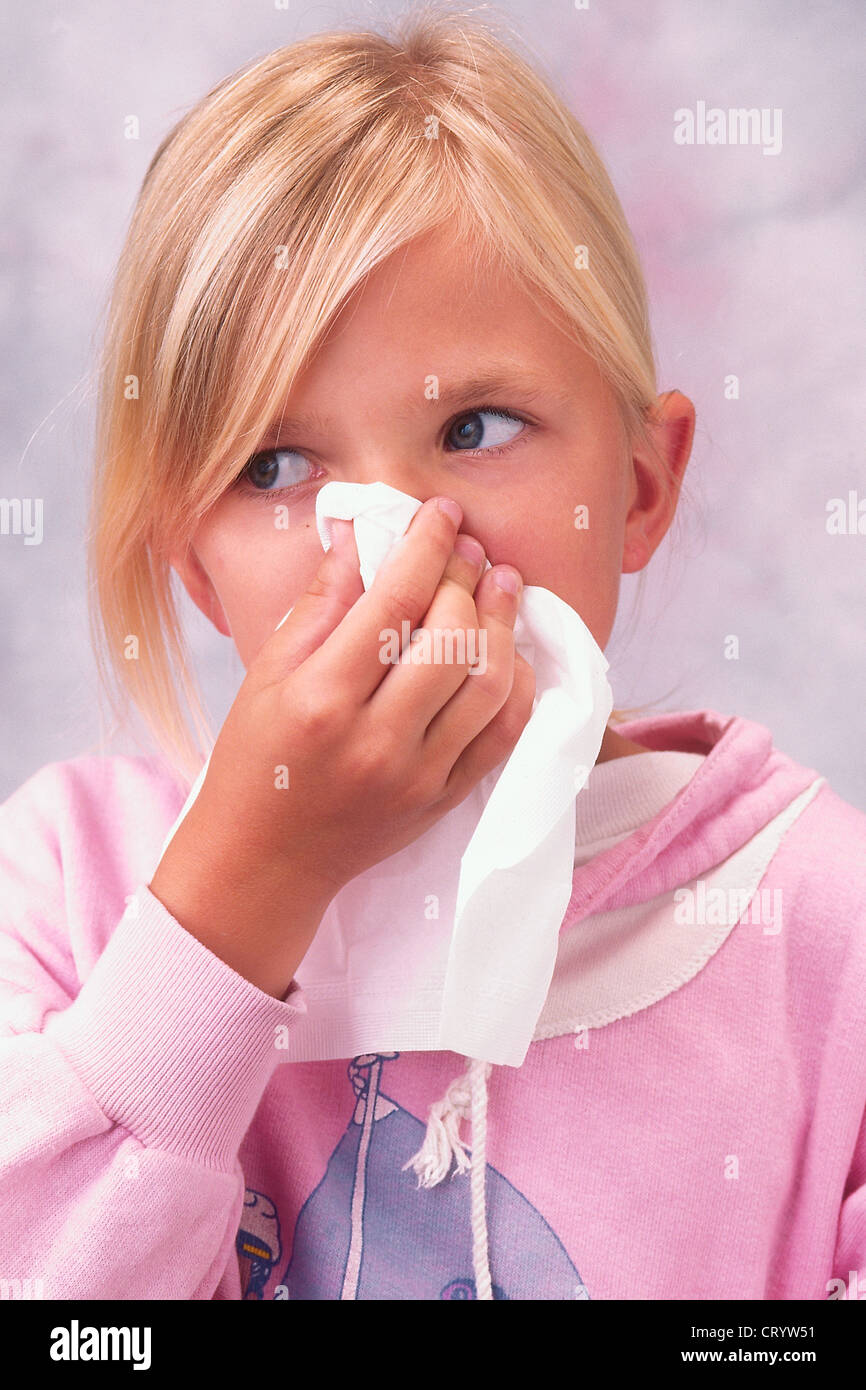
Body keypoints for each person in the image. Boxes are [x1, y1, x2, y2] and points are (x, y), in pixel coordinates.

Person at [1, 9, 864, 1302]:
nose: (394, 537)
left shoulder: (817, 924)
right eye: (276, 467)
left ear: (637, 485)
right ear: (194, 566)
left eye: (475, 424)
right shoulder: (72, 886)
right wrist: (240, 896)